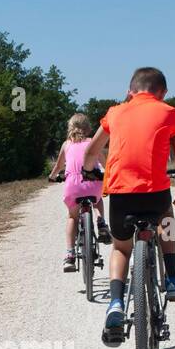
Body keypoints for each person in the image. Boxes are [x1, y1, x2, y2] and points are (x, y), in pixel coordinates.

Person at [81, 67, 175, 342]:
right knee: (166, 219)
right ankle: (172, 277)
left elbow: (91, 153)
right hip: (154, 194)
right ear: (162, 93)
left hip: (121, 196)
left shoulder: (114, 113)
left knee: (121, 248)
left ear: (130, 91)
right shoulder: (167, 111)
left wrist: (90, 171)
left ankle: (115, 303)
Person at [48, 113, 112, 271]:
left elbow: (58, 166)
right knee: (97, 200)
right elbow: (106, 164)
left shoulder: (66, 145)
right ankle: (101, 223)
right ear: (88, 128)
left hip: (73, 186)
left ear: (70, 128)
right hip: (92, 184)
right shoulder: (92, 143)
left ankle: (70, 255)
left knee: (72, 217)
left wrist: (52, 176)